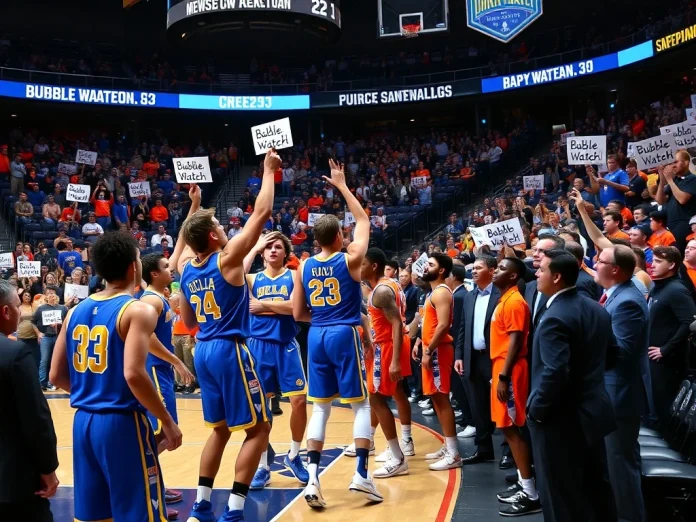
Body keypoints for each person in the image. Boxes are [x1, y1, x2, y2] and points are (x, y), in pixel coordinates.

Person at [48, 232, 182, 522]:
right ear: (134, 267)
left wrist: (93, 391)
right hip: (122, 423)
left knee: (96, 516)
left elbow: (56, 374)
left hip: (83, 422)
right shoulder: (138, 309)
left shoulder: (74, 311)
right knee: (139, 513)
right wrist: (168, 421)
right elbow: (134, 373)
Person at [176, 150, 280, 522]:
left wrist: (195, 208)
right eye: (218, 225)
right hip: (230, 348)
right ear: (213, 235)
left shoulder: (186, 271)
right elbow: (262, 214)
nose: (223, 228)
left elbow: (188, 321)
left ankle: (202, 505)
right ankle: (234, 510)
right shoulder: (227, 259)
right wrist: (268, 171)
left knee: (219, 430)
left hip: (203, 348)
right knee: (259, 429)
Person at [293, 159, 382, 508]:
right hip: (344, 332)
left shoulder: (303, 265)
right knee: (360, 405)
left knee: (320, 409)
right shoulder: (350, 258)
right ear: (338, 236)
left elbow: (299, 313)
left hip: (316, 335)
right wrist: (342, 186)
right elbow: (363, 220)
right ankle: (361, 473)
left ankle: (313, 479)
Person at [528, 249, 617, 522]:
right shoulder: (595, 306)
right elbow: (612, 353)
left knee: (559, 494)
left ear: (556, 277)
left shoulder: (554, 315)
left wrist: (537, 409)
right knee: (594, 489)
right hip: (593, 409)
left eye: (541, 270)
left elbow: (555, 372)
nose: (536, 274)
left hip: (560, 417)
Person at [242, 231, 309, 490]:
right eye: (268, 248)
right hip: (258, 347)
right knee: (262, 407)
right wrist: (255, 244)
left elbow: (297, 307)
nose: (272, 251)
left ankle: (294, 455)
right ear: (262, 253)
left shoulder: (294, 276)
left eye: (278, 247)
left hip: (286, 346)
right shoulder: (251, 278)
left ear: (285, 252)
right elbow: (234, 271)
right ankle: (263, 465)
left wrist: (263, 305)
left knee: (299, 400)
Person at [595, 244, 650, 522]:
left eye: (600, 259)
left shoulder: (627, 300)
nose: (594, 261)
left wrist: (587, 346)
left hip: (620, 395)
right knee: (616, 464)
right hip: (613, 392)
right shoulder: (615, 295)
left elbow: (622, 350)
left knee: (621, 467)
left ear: (614, 269)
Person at [140, 253, 196, 518]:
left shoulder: (157, 296)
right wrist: (177, 361)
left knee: (162, 435)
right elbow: (147, 337)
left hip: (159, 369)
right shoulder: (151, 299)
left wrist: (195, 209)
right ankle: (141, 484)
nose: (170, 268)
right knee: (161, 435)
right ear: (153, 273)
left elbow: (177, 254)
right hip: (154, 368)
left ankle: (155, 486)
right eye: (165, 267)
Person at [0, 280, 59, 522]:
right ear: (5, 311)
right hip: (13, 482)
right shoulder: (15, 354)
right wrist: (48, 468)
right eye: (16, 306)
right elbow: (36, 419)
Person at [489, 257, 540, 516]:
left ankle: (531, 493)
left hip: (510, 369)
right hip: (501, 367)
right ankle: (524, 483)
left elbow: (515, 341)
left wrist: (504, 376)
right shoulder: (505, 299)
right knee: (507, 427)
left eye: (501, 268)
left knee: (511, 428)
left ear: (512, 276)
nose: (495, 271)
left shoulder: (515, 301)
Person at [361, 247, 414, 478]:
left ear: (373, 266)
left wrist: (393, 361)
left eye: (362, 264)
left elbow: (396, 325)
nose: (358, 267)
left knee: (376, 398)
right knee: (393, 394)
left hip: (388, 347)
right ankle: (401, 445)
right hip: (386, 345)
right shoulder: (390, 284)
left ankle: (398, 456)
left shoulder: (381, 290)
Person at [418, 253, 462, 470]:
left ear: (442, 270)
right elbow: (429, 323)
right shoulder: (432, 292)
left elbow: (443, 325)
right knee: (436, 398)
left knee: (442, 398)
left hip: (439, 350)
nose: (426, 267)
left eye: (431, 265)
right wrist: (420, 341)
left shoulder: (442, 292)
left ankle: (454, 453)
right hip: (432, 348)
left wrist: (429, 350)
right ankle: (448, 444)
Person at [455, 255, 500, 463]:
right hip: (473, 357)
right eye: (473, 268)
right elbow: (463, 328)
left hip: (494, 358)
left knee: (502, 405)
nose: (473, 271)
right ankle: (483, 449)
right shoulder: (470, 296)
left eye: (479, 268)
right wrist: (459, 356)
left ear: (492, 270)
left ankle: (510, 453)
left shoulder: (501, 294)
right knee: (478, 406)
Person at [648, 246, 696, 425]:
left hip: (668, 363)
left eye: (658, 262)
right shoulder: (657, 287)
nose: (653, 265)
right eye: (653, 260)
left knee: (664, 410)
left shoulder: (676, 290)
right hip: (653, 359)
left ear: (672, 265)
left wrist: (666, 349)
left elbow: (690, 322)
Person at [655, 151, 696, 252]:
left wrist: (669, 180)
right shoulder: (675, 180)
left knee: (678, 254)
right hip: (670, 223)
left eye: (676, 162)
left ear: (686, 163)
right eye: (671, 163)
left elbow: (682, 199)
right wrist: (662, 180)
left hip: (684, 224)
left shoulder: (692, 179)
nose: (673, 166)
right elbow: (660, 200)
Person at [32, 287, 67, 391]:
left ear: (57, 295)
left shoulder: (63, 308)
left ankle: (55, 382)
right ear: (46, 297)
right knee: (44, 360)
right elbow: (33, 322)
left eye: (53, 293)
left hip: (58, 337)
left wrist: (59, 324)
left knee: (57, 360)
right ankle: (42, 382)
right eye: (49, 293)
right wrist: (38, 333)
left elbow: (67, 322)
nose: (51, 295)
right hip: (46, 337)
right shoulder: (41, 308)